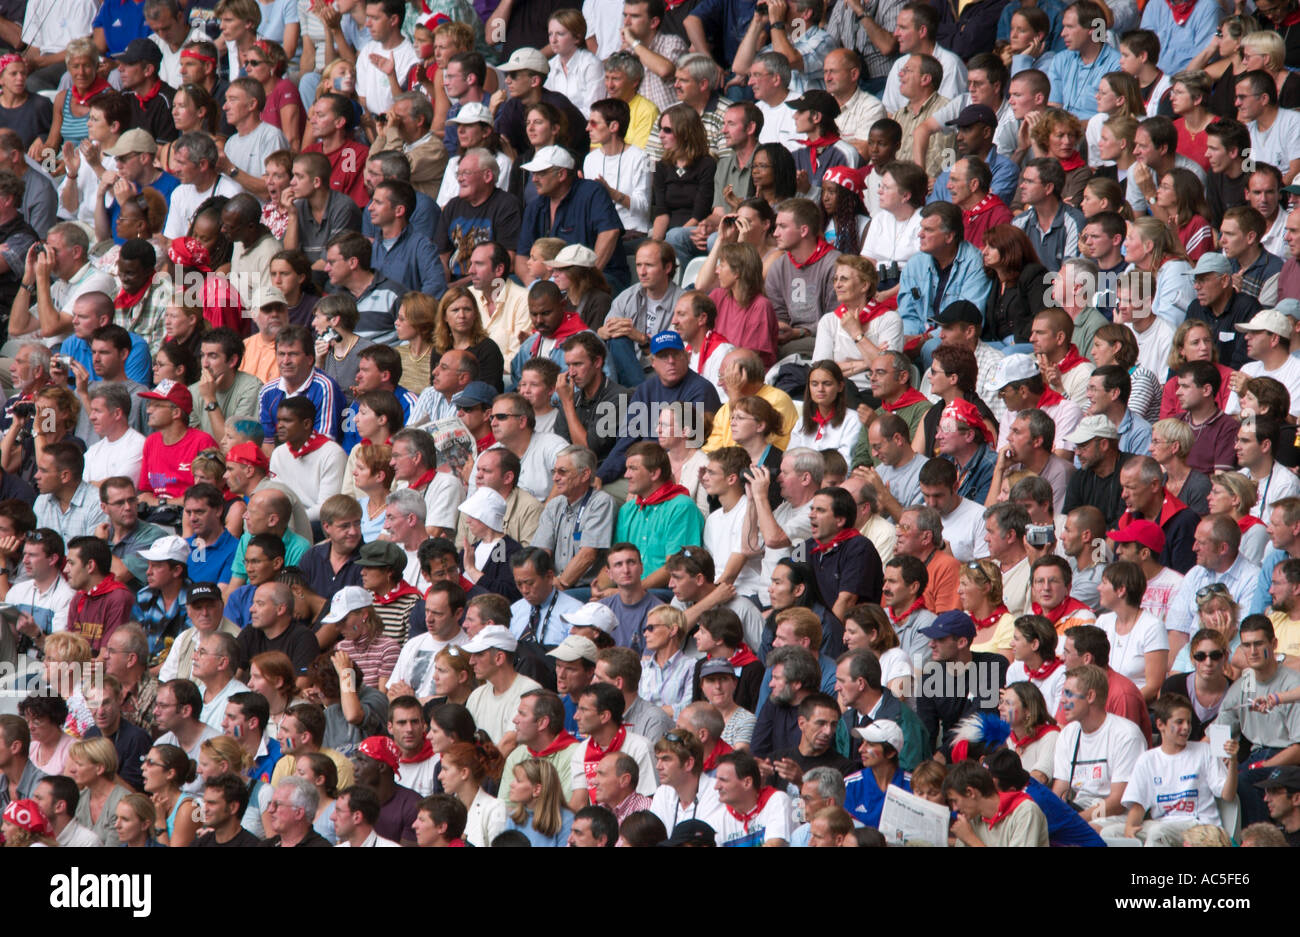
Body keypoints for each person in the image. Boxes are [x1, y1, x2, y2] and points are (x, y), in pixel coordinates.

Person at [1212, 616, 1300, 825]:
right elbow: (1221, 726)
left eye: (1259, 644)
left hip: (1285, 758)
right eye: (1246, 645)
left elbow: (1298, 749)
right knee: (1220, 780)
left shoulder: (1292, 684)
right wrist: (1219, 756)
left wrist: (1263, 765)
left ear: (1274, 644)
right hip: (1254, 753)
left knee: (1245, 780)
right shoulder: (1247, 681)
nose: (1252, 651)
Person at [944, 759, 1050, 846]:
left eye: (955, 801)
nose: (954, 808)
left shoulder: (1026, 811)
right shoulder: (972, 818)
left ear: (970, 792)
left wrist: (971, 839)